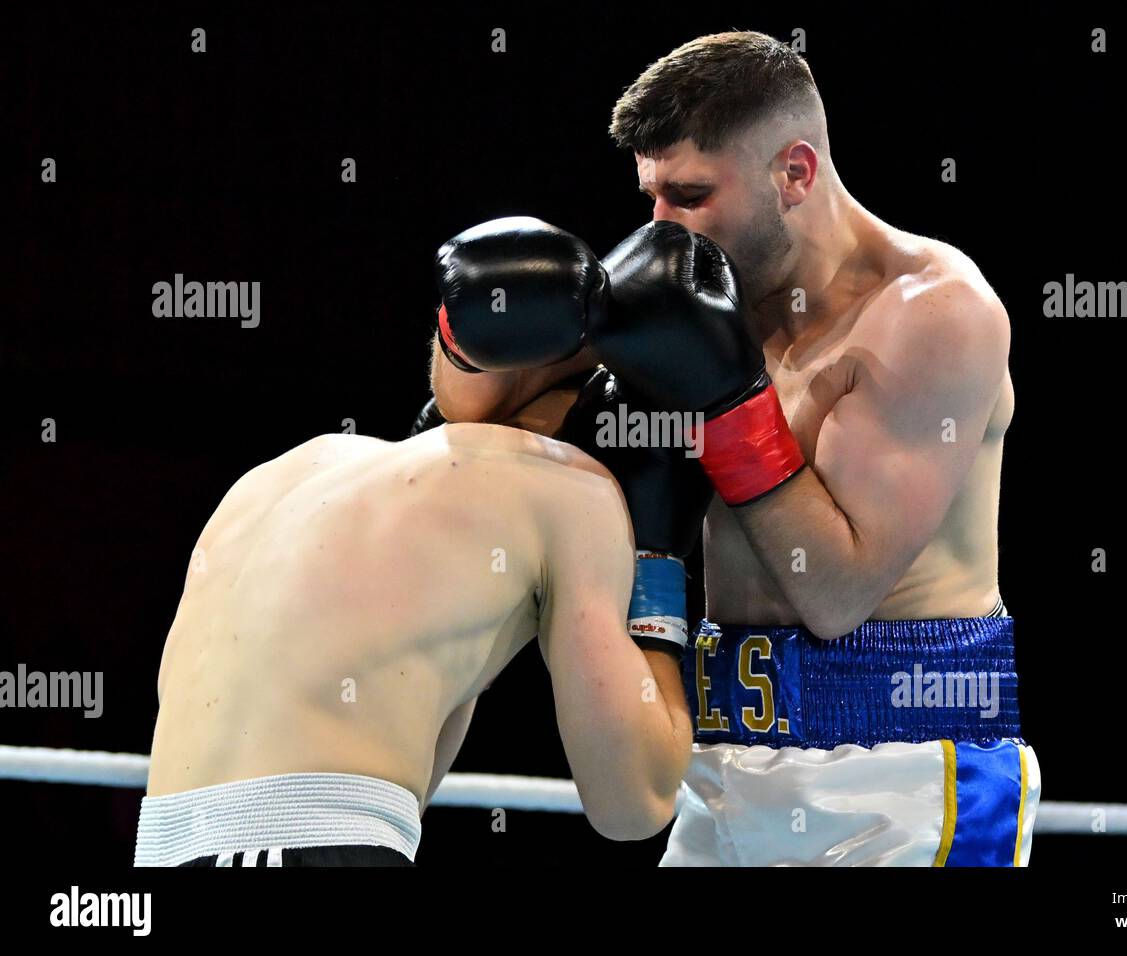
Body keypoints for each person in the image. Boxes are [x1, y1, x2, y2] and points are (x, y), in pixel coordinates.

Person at [432, 31, 1040, 866]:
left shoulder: (932, 315)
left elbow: (835, 593)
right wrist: (475, 328)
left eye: (689, 195)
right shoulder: (700, 294)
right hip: (724, 761)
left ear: (795, 173)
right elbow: (462, 414)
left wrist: (724, 402)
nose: (660, 226)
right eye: (650, 195)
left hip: (898, 773)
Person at [134, 225, 705, 867]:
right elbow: (635, 803)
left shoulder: (286, 471)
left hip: (159, 853)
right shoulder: (570, 487)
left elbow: (394, 786)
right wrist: (659, 563)